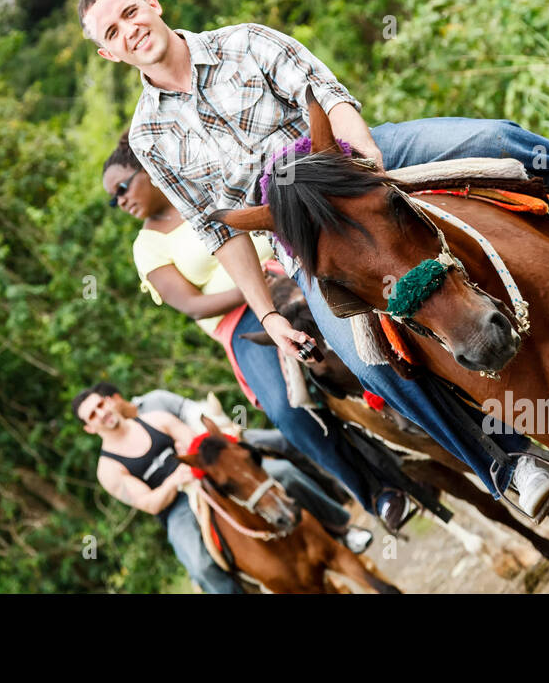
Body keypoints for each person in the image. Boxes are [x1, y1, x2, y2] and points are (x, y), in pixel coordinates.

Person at [77, 0, 549, 517]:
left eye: (130, 12)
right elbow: (221, 231)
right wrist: (271, 316)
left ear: (153, 4)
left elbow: (328, 96)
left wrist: (366, 157)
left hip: (354, 162)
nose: (129, 29)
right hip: (303, 236)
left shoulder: (244, 42)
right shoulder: (152, 139)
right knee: (365, 362)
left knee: (503, 141)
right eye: (112, 32)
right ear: (109, 54)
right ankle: (502, 462)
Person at [101, 131, 410, 528]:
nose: (120, 201)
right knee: (285, 409)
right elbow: (193, 306)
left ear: (147, 169)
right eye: (114, 199)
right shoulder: (146, 247)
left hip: (292, 269)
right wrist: (252, 289)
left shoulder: (204, 183)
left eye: (122, 188)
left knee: (380, 293)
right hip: (241, 319)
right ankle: (376, 492)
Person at [72, 381, 372, 595]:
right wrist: (176, 478)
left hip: (206, 477)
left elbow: (193, 442)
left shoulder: (155, 418)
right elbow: (150, 503)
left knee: (283, 473)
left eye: (100, 405)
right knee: (200, 564)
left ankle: (342, 527)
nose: (101, 413)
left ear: (110, 400)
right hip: (175, 508)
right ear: (89, 427)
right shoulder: (108, 469)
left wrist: (195, 464)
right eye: (92, 415)